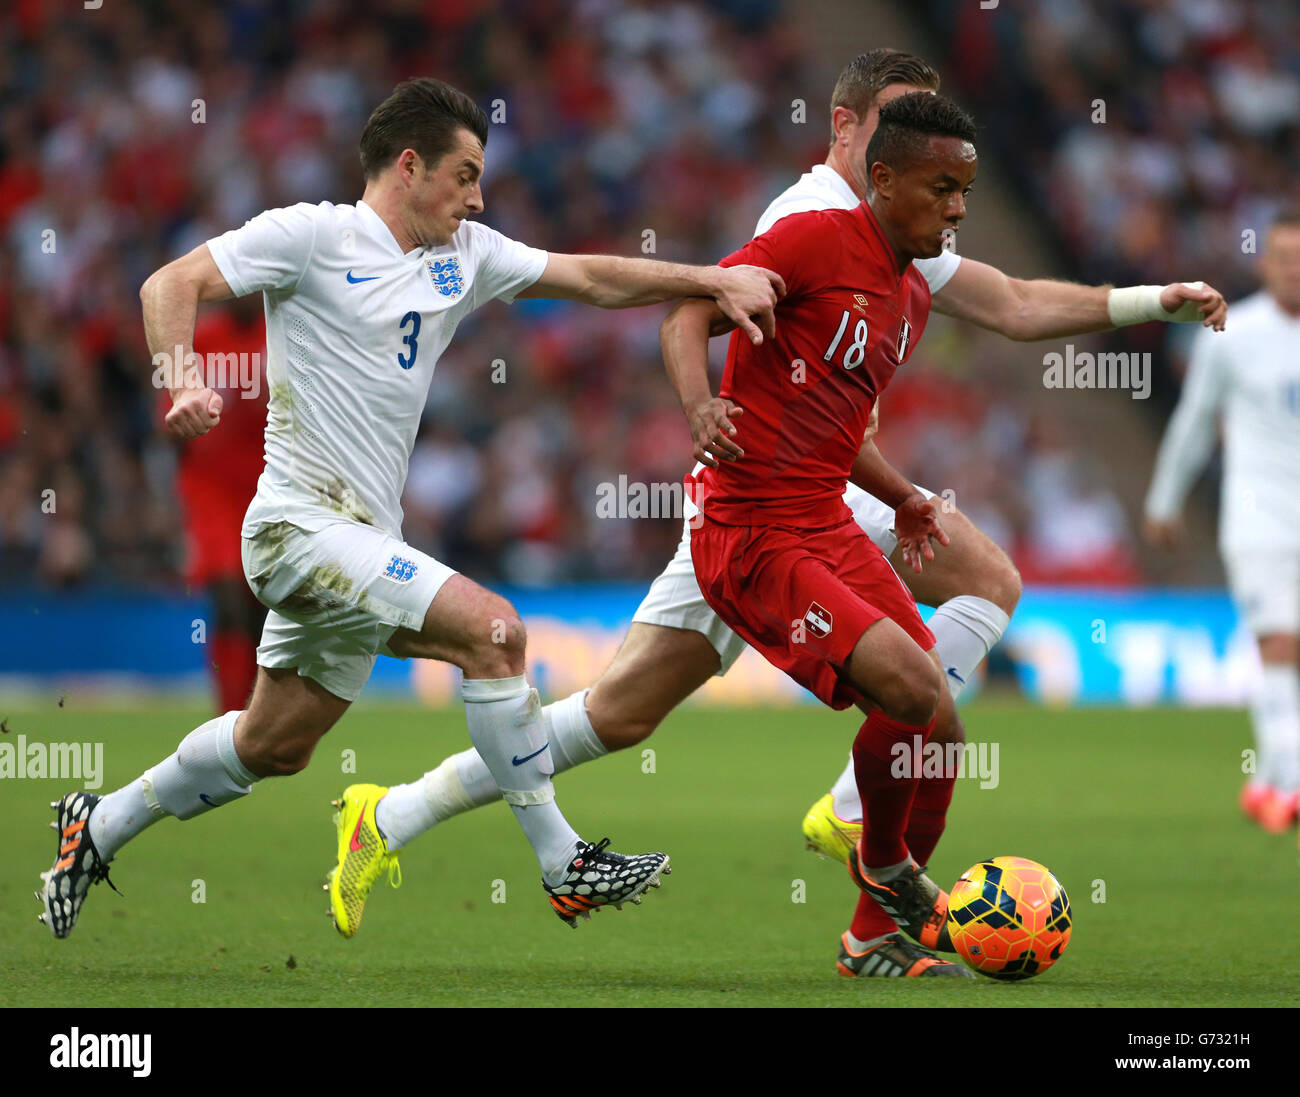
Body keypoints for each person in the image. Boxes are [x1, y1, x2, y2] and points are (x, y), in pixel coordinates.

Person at [337, 51, 1226, 975]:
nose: (950, 190)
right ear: (854, 134)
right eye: (899, 124)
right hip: (753, 503)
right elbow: (693, 309)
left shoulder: (909, 249)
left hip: (824, 494)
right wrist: (701, 409)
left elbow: (1013, 303)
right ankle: (864, 835)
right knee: (904, 670)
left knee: (640, 715)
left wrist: (1143, 303)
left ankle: (394, 813)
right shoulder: (809, 223)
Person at [36, 77, 782, 939]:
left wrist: (708, 278)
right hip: (296, 526)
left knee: (272, 745)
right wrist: (182, 382)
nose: (476, 195)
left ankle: (97, 822)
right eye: (464, 174)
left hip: (360, 542)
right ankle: (562, 861)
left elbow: (586, 276)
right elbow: (170, 283)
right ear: (408, 165)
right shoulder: (311, 234)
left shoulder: (460, 255)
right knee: (495, 633)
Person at [1144, 209, 1300, 840]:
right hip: (1258, 514)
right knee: (1279, 645)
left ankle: (1268, 779)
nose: (1293, 269)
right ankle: (1287, 788)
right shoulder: (1235, 332)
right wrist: (1164, 500)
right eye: (1284, 258)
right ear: (1265, 263)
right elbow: (1193, 421)